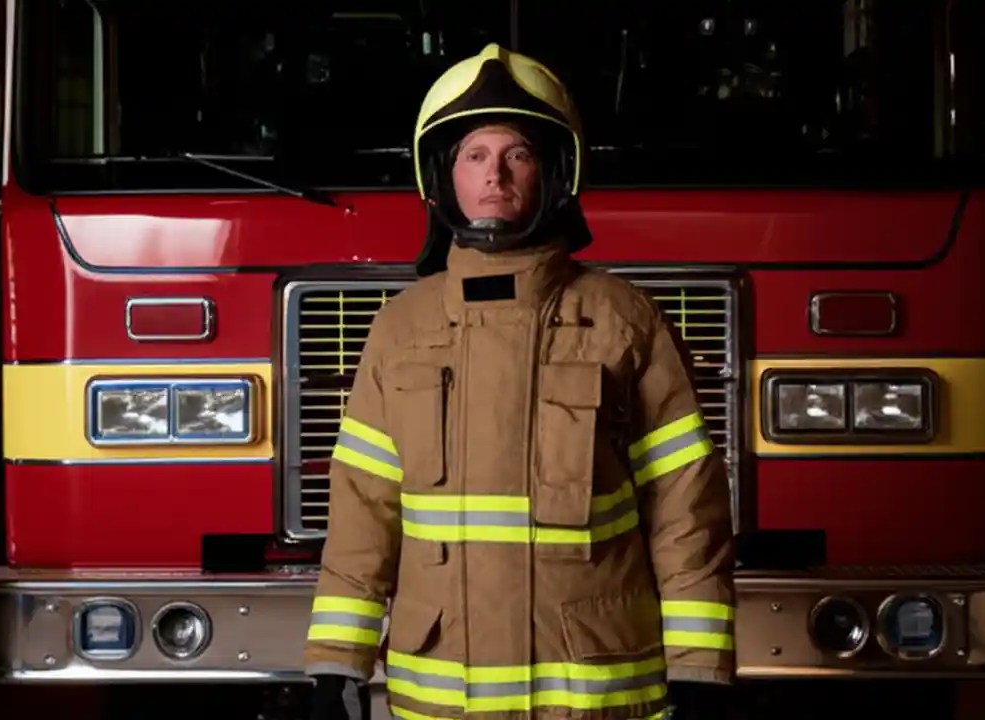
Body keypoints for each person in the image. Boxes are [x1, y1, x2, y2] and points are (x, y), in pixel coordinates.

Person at [304, 43, 736, 720]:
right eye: (474, 155)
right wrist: (336, 664)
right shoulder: (400, 330)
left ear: (554, 174)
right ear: (442, 178)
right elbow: (364, 513)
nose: (495, 176)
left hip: (597, 692)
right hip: (444, 697)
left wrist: (700, 669)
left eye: (518, 155)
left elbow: (687, 509)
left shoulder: (624, 322)